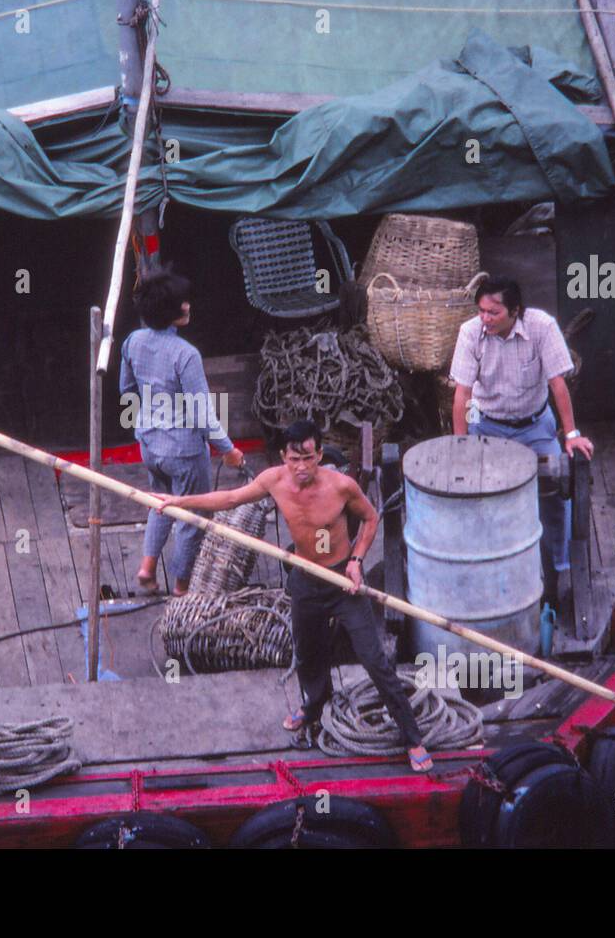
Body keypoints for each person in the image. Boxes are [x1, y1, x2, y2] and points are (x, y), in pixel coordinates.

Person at [155, 419, 432, 773]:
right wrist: (178, 500)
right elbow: (228, 498)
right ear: (283, 457)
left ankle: (413, 737)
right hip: (305, 580)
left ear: (319, 455)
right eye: (293, 459)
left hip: (342, 582)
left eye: (308, 458)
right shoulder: (274, 481)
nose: (301, 468)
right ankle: (313, 707)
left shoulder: (341, 486)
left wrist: (358, 561)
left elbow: (371, 518)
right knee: (307, 655)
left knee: (374, 659)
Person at [449, 277, 594, 607]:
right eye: (482, 311)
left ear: (515, 311)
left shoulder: (542, 327)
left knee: (557, 492)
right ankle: (490, 566)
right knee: (481, 497)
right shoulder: (470, 333)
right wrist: (462, 447)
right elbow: (462, 395)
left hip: (535, 427)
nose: (485, 318)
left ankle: (561, 566)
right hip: (488, 427)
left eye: (494, 312)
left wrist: (571, 435)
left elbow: (558, 383)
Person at [120, 263, 243, 597]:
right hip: (184, 449)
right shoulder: (186, 355)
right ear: (168, 311)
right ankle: (182, 586)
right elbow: (203, 413)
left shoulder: (133, 342)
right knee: (192, 514)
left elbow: (126, 389)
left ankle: (147, 568)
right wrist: (228, 449)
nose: (187, 306)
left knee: (160, 502)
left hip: (150, 443)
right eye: (181, 303)